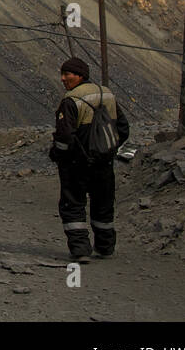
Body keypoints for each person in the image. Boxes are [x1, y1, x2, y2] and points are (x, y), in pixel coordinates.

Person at [49, 56, 130, 262]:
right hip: (104, 162)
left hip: (77, 163)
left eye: (67, 74)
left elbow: (64, 136)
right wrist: (109, 149)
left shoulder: (71, 100)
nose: (63, 79)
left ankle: (80, 249)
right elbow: (123, 128)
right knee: (103, 203)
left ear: (80, 75)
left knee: (73, 203)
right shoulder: (107, 94)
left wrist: (59, 156)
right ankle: (105, 246)